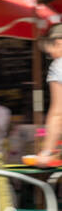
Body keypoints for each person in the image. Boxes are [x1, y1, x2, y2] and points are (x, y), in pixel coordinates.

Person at [36, 25, 62, 161]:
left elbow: (58, 113)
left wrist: (46, 152)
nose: (50, 56)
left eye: (49, 51)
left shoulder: (59, 66)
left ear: (58, 43)